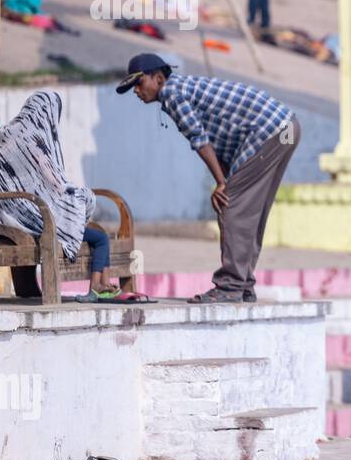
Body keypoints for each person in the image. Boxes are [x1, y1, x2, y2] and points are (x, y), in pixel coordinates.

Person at [117, 53, 298, 303]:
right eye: (132, 87)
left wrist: (222, 184)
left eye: (139, 83)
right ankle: (242, 284)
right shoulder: (183, 89)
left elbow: (199, 140)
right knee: (249, 211)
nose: (136, 91)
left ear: (158, 77)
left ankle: (230, 287)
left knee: (231, 205)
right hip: (286, 128)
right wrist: (224, 179)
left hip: (270, 130)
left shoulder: (172, 93)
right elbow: (218, 144)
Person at [0, 92, 118, 298]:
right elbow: (54, 184)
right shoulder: (35, 140)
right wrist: (79, 196)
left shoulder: (6, 134)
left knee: (46, 218)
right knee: (99, 236)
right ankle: (98, 285)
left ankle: (31, 289)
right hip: (22, 217)